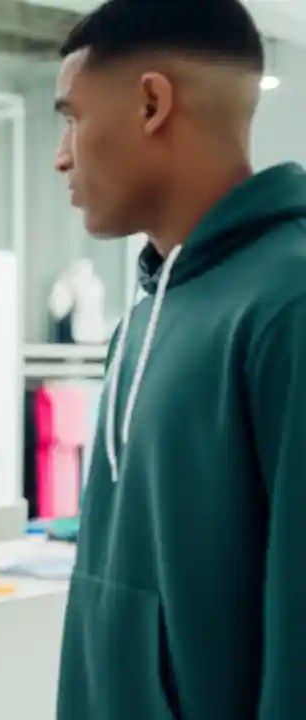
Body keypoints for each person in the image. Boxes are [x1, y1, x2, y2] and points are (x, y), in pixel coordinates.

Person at [53, 1, 306, 718]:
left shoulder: (289, 304)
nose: (61, 155)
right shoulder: (138, 323)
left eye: (72, 116)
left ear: (151, 102)